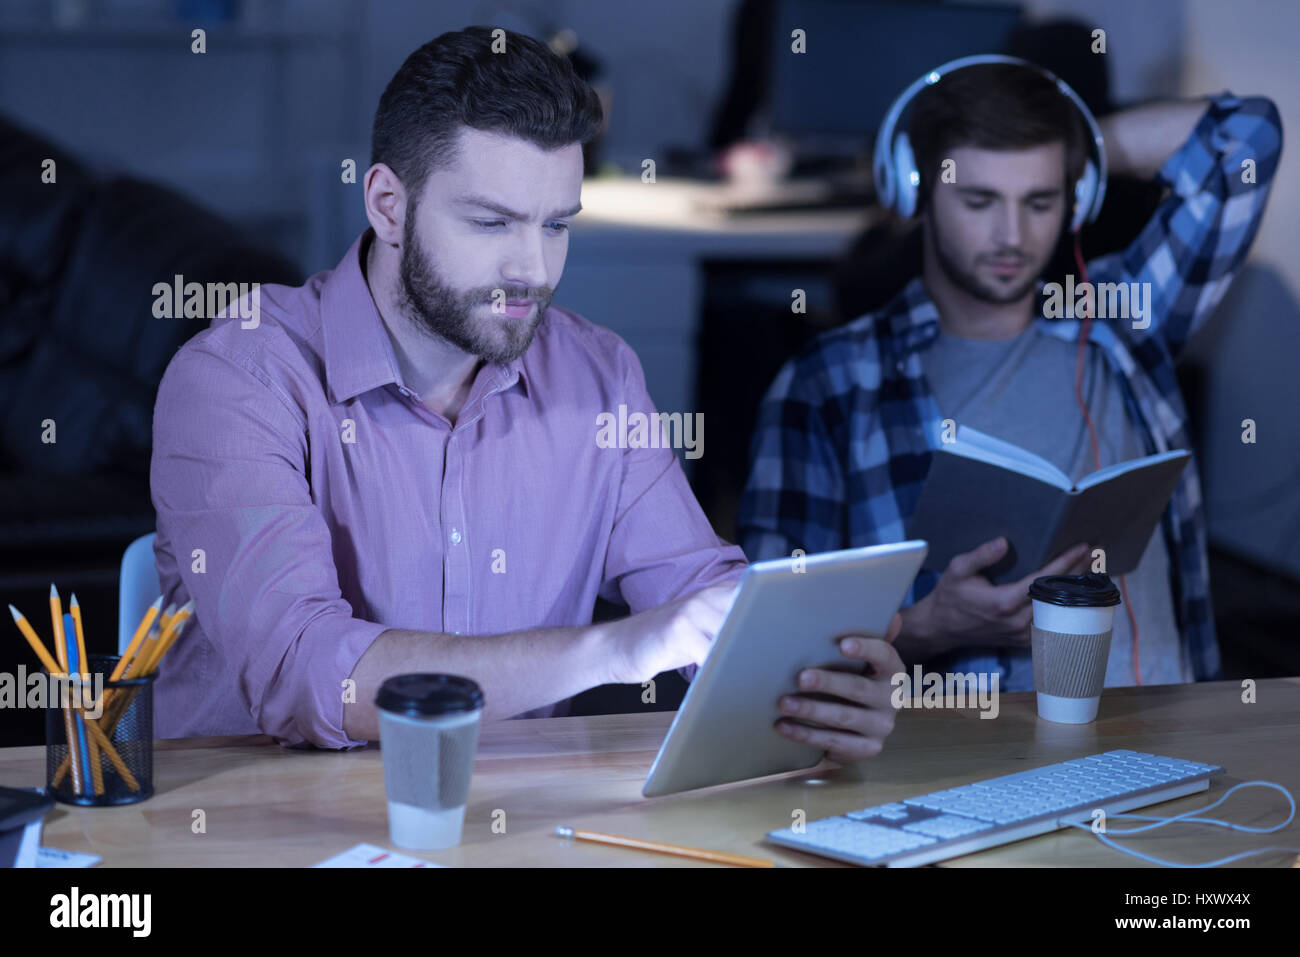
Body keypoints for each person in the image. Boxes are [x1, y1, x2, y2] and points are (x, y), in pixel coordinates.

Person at [150, 26, 903, 759]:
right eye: (491, 222)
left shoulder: (598, 376)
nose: (533, 271)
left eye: (556, 225)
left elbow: (699, 597)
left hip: (510, 828)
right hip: (258, 828)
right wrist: (620, 646)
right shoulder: (236, 377)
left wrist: (811, 683)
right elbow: (303, 673)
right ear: (387, 205)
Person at [739, 60, 1281, 692]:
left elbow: (1247, 135)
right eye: (980, 200)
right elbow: (766, 656)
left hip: (1171, 742)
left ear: (1076, 199)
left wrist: (1080, 149)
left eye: (1041, 200)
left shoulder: (1119, 321)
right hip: (973, 766)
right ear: (915, 191)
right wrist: (929, 626)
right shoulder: (833, 384)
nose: (1013, 236)